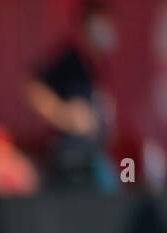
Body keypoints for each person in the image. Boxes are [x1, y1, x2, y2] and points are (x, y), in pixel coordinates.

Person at [26, 0, 117, 191]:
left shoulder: (96, 64)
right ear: (85, 25)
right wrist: (62, 114)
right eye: (100, 24)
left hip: (92, 153)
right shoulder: (69, 58)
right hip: (70, 157)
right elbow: (32, 86)